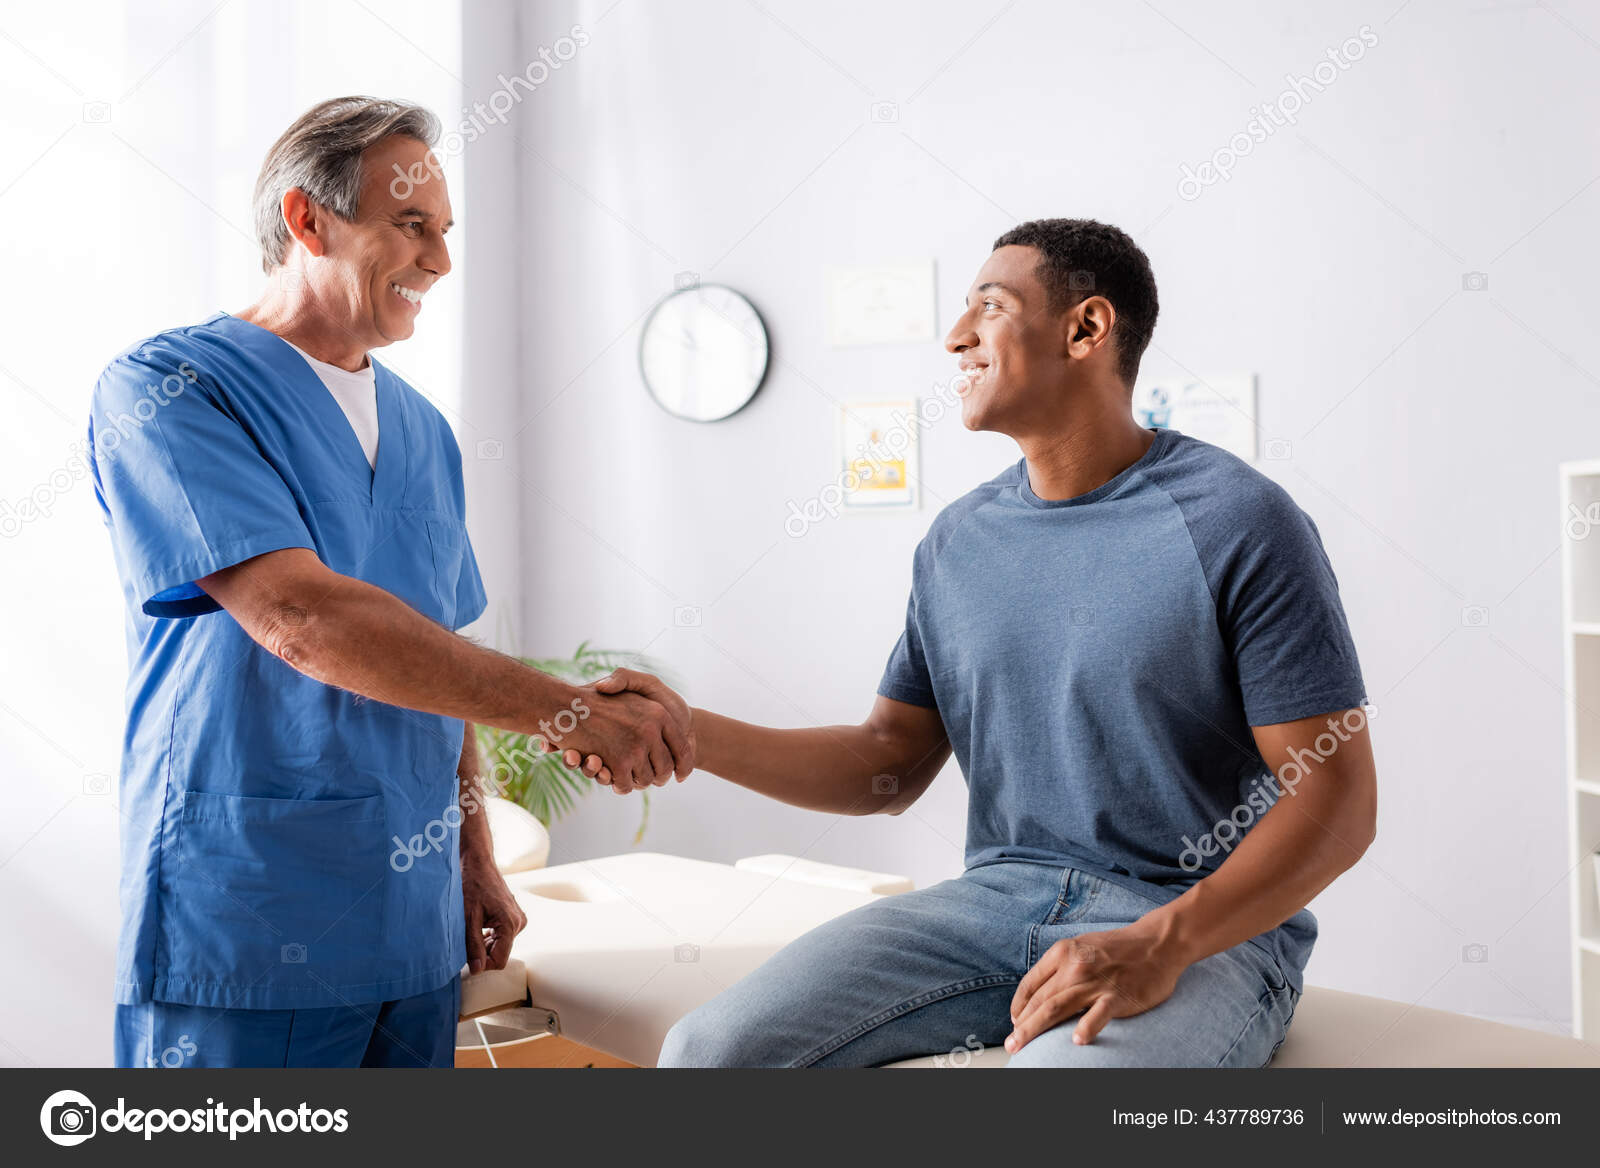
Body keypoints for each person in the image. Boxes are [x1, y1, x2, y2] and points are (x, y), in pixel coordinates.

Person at [605, 219, 1377, 1068]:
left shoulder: (1238, 520)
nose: (955, 337)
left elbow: (1334, 804)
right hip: (991, 908)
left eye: (989, 308)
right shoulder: (958, 542)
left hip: (1203, 932)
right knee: (706, 1053)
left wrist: (1163, 939)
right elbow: (884, 762)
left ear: (1085, 330)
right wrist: (692, 734)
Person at [89, 97, 691, 1069]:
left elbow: (437, 659)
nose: (440, 261)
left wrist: (472, 852)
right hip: (247, 916)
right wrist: (565, 710)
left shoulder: (424, 432)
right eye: (411, 225)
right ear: (306, 219)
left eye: (445, 233)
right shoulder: (171, 389)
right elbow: (301, 617)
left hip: (410, 930)